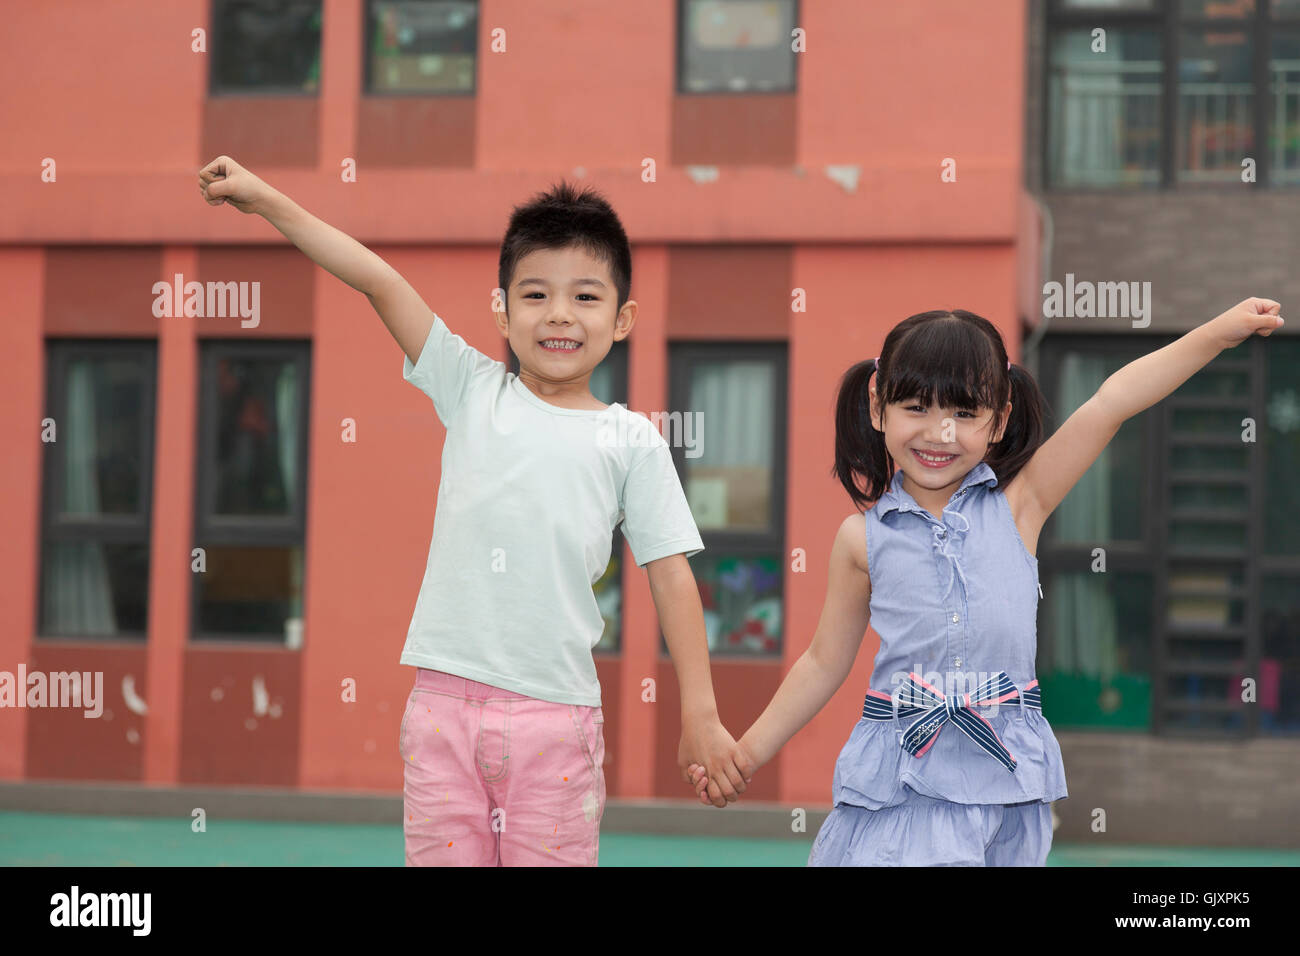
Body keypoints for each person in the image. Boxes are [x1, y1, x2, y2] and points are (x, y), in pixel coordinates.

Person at [197, 157, 754, 865]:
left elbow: (673, 578)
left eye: (586, 297)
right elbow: (378, 279)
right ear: (501, 310)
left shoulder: (631, 440)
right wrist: (264, 199)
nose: (558, 314)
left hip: (557, 722)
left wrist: (700, 715)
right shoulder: (469, 388)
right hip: (441, 715)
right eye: (535, 294)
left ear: (623, 319)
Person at [690, 301, 1284, 865]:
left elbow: (1111, 402)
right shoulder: (861, 539)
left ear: (999, 419)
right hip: (903, 783)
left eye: (965, 413)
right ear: (878, 408)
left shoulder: (1021, 506)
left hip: (1006, 784)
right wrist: (746, 754)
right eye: (916, 407)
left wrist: (1217, 333)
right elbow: (822, 662)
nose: (939, 433)